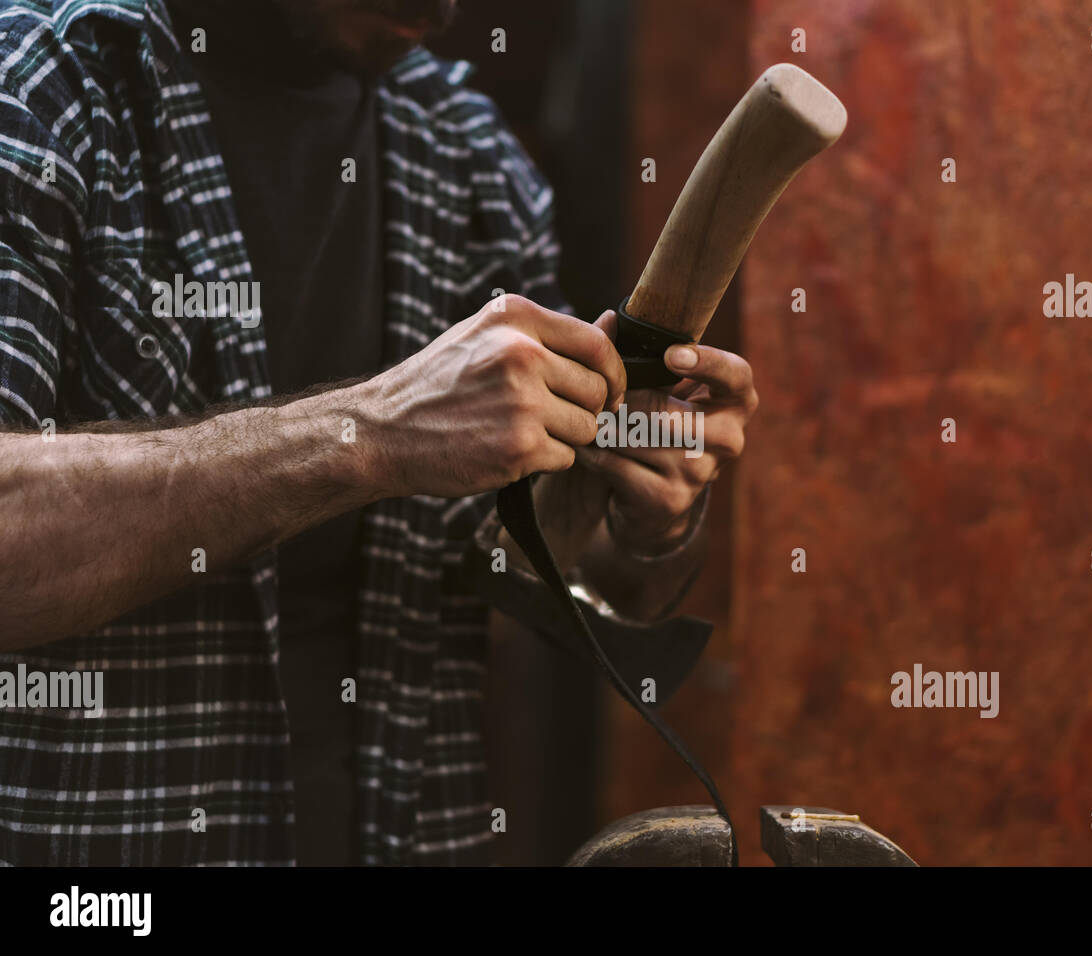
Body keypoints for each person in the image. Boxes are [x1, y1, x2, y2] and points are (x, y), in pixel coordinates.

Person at [0, 0, 757, 865]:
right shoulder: (42, 84)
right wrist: (364, 436)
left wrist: (626, 510)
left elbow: (498, 588)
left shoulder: (467, 152)